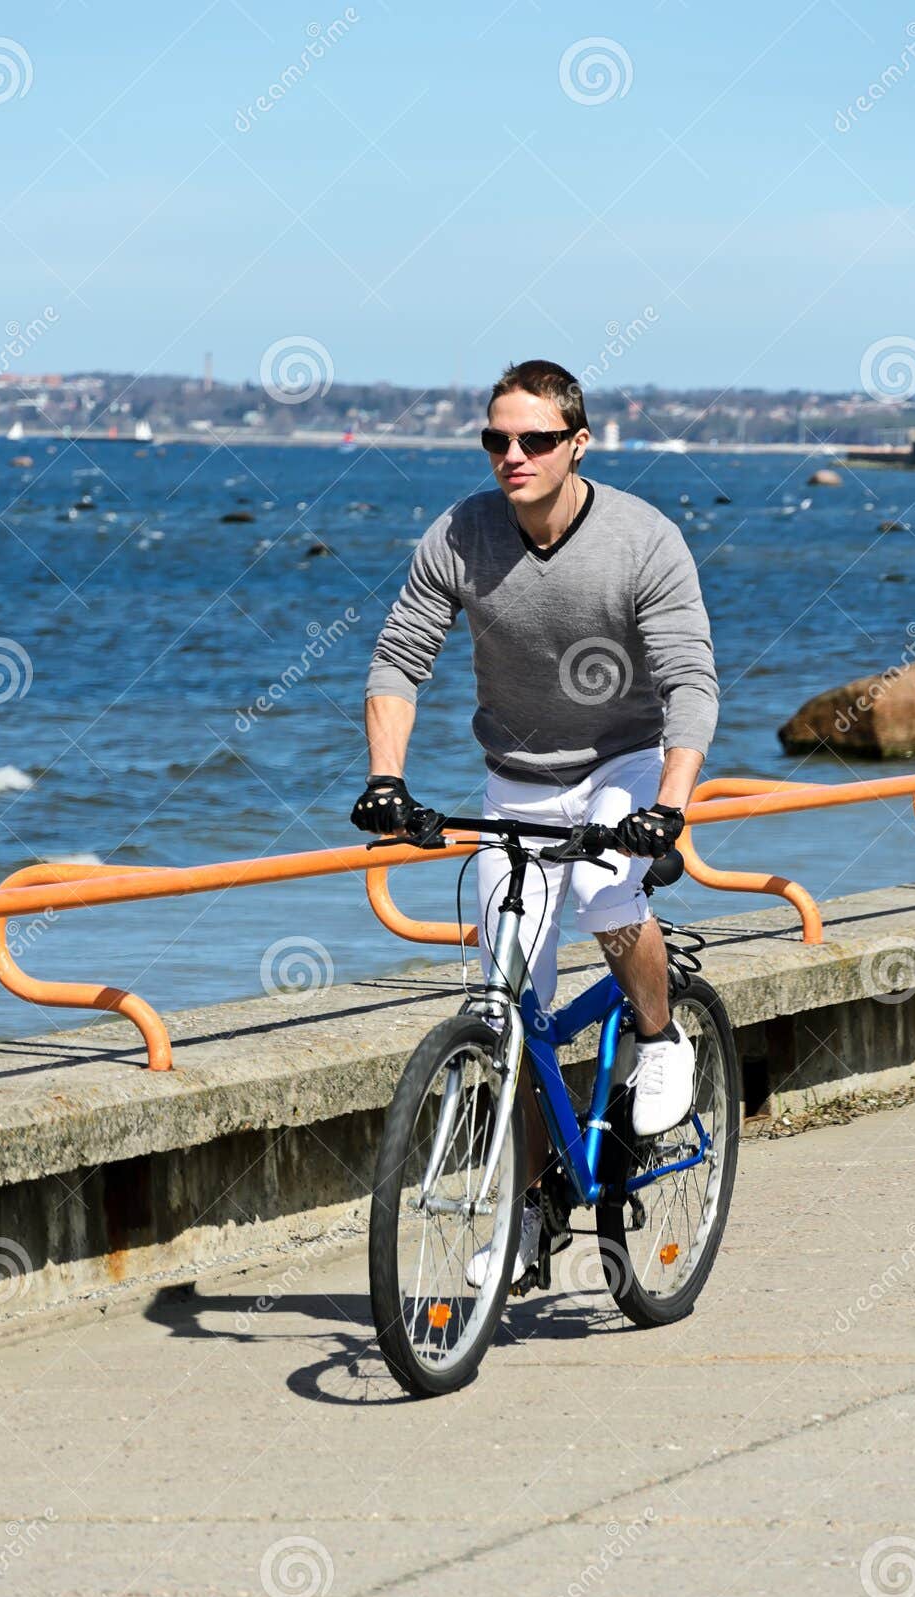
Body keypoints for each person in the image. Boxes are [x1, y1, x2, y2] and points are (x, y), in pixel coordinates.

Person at [351, 358, 719, 1286]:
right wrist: (385, 780)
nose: (512, 456)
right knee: (508, 1004)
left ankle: (661, 1030)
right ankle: (526, 1211)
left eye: (536, 440)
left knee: (602, 890)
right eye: (496, 440)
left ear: (577, 444)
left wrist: (668, 808)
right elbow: (400, 657)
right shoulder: (462, 533)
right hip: (514, 774)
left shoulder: (643, 539)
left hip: (623, 763)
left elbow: (689, 682)